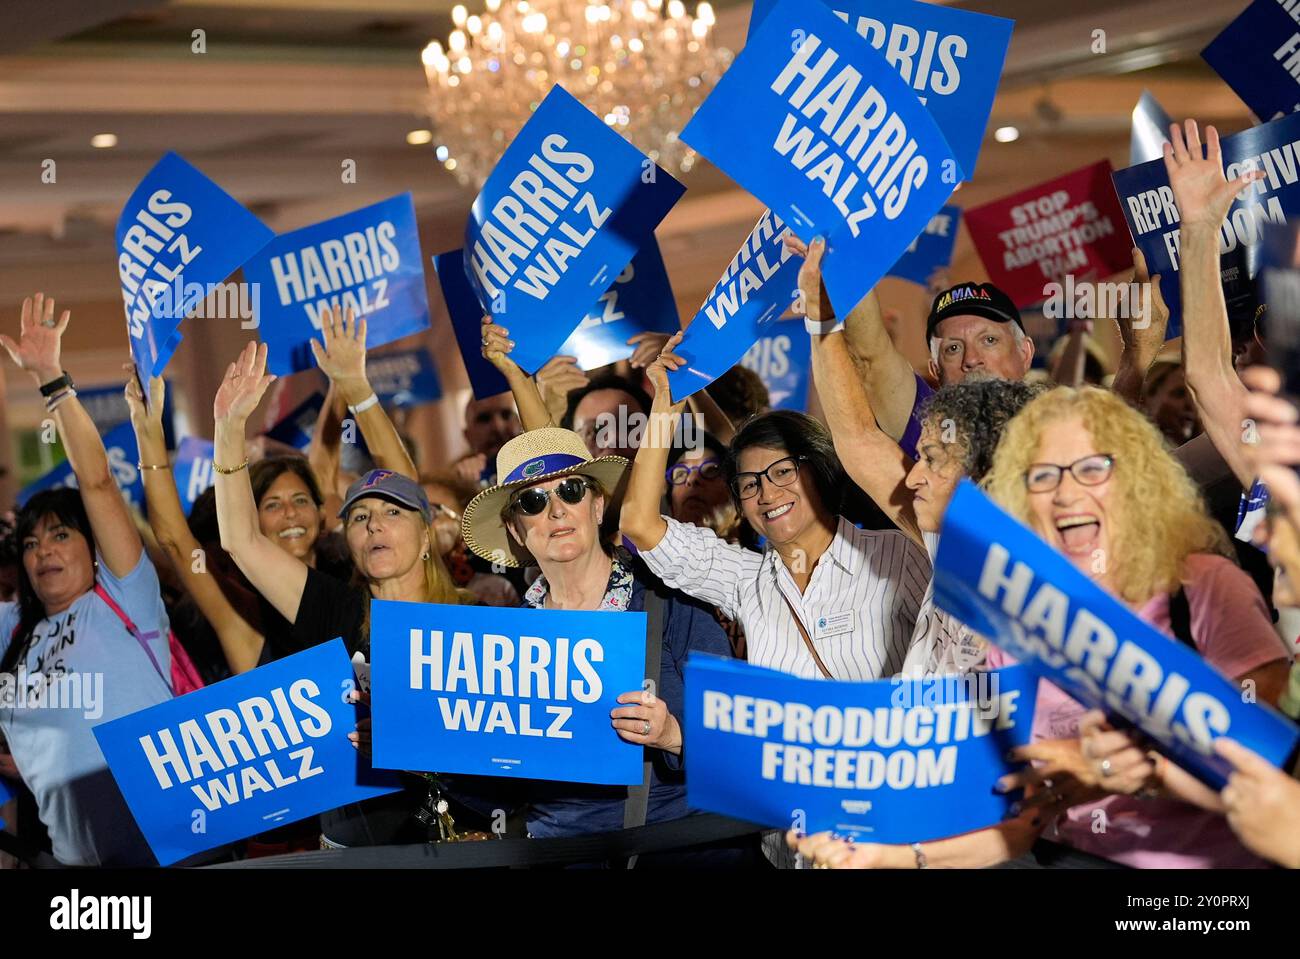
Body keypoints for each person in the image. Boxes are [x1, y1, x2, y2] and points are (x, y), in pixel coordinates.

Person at [981, 386, 1290, 868]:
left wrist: (1144, 767)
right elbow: (1011, 796)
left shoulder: (1203, 586)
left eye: (1091, 469)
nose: (1065, 494)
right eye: (1043, 476)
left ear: (1134, 481)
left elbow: (1264, 764)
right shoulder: (1012, 618)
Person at [212, 333, 468, 849]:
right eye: (360, 517)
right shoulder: (334, 608)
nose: (375, 525)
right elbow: (240, 540)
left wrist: (356, 386)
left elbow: (508, 740)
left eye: (392, 513)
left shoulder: (474, 619)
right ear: (346, 539)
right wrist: (229, 427)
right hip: (355, 849)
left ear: (427, 536)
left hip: (455, 846)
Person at [452, 426, 742, 859]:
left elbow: (740, 741)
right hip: (557, 857)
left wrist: (672, 735)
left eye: (570, 490)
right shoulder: (502, 643)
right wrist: (417, 745)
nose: (555, 512)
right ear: (515, 529)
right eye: (533, 502)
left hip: (679, 851)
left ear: (598, 504)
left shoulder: (672, 607)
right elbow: (496, 795)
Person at [621, 332, 929, 681]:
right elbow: (638, 524)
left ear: (820, 471)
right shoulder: (744, 579)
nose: (767, 493)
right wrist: (667, 400)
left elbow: (959, 653)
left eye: (782, 472)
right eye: (750, 484)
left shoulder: (898, 556)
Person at [0, 293, 172, 866]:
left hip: (173, 854)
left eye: (60, 535)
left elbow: (97, 484)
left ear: (92, 549)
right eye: (30, 542)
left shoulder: (124, 597)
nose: (43, 551)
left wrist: (53, 383)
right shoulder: (12, 633)